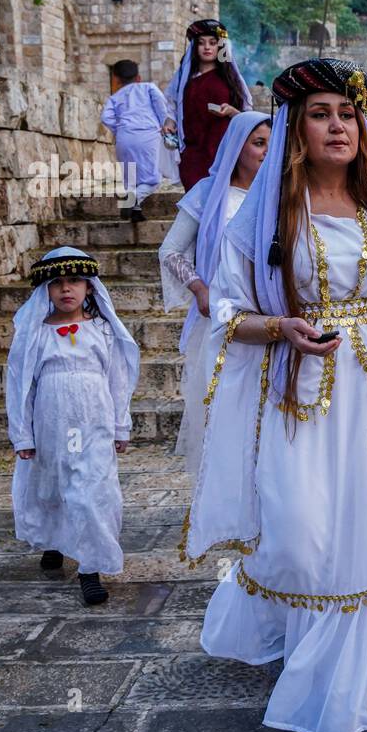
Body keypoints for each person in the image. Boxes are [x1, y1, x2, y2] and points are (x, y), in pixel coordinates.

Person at [181, 58, 367, 732]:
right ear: (296, 129)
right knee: (300, 531)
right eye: (321, 114)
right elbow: (226, 315)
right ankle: (305, 644)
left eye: (347, 114)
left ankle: (353, 682)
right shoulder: (267, 215)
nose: (338, 126)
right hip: (297, 393)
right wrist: (282, 329)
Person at [6, 247, 141, 605]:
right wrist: (22, 433)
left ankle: (90, 568)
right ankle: (54, 541)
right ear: (46, 291)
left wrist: (119, 425)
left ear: (90, 287)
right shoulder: (34, 334)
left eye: (75, 282)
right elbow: (21, 384)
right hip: (51, 422)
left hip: (93, 421)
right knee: (52, 485)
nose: (66, 289)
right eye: (58, 283)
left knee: (90, 491)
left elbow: (118, 379)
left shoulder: (103, 332)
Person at [158, 110, 271, 475]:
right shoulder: (208, 193)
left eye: (272, 143)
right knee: (223, 416)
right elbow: (171, 250)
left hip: (269, 321)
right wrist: (199, 287)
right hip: (219, 322)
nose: (267, 151)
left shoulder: (280, 196)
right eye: (258, 143)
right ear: (237, 147)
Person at [163, 18, 252, 191]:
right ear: (194, 48)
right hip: (192, 150)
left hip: (223, 148)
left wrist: (232, 111)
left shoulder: (230, 78)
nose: (207, 47)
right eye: (201, 43)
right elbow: (171, 104)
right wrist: (169, 121)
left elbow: (247, 112)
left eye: (212, 43)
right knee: (195, 195)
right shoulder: (184, 78)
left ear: (220, 47)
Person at [99, 60, 171, 220]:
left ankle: (136, 211)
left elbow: (105, 117)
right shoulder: (148, 88)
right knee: (153, 178)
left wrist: (120, 129)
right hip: (148, 136)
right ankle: (133, 201)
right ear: (138, 77)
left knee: (131, 177)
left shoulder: (114, 97)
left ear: (116, 79)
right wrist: (163, 124)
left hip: (124, 139)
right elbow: (161, 105)